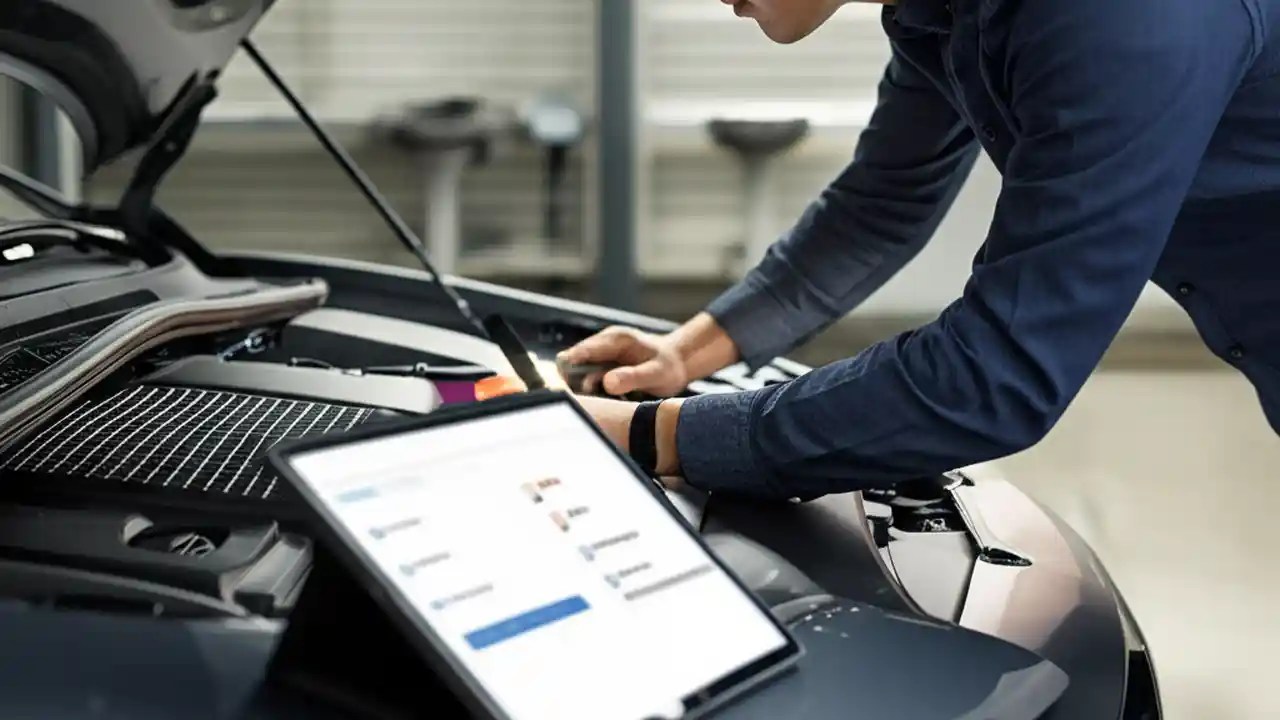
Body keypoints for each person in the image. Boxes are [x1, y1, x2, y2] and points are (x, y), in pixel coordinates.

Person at [565, 0, 1280, 499]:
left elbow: (998, 373)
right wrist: (684, 358)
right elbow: (881, 203)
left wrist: (653, 436)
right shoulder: (938, 13)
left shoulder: (1117, 19)